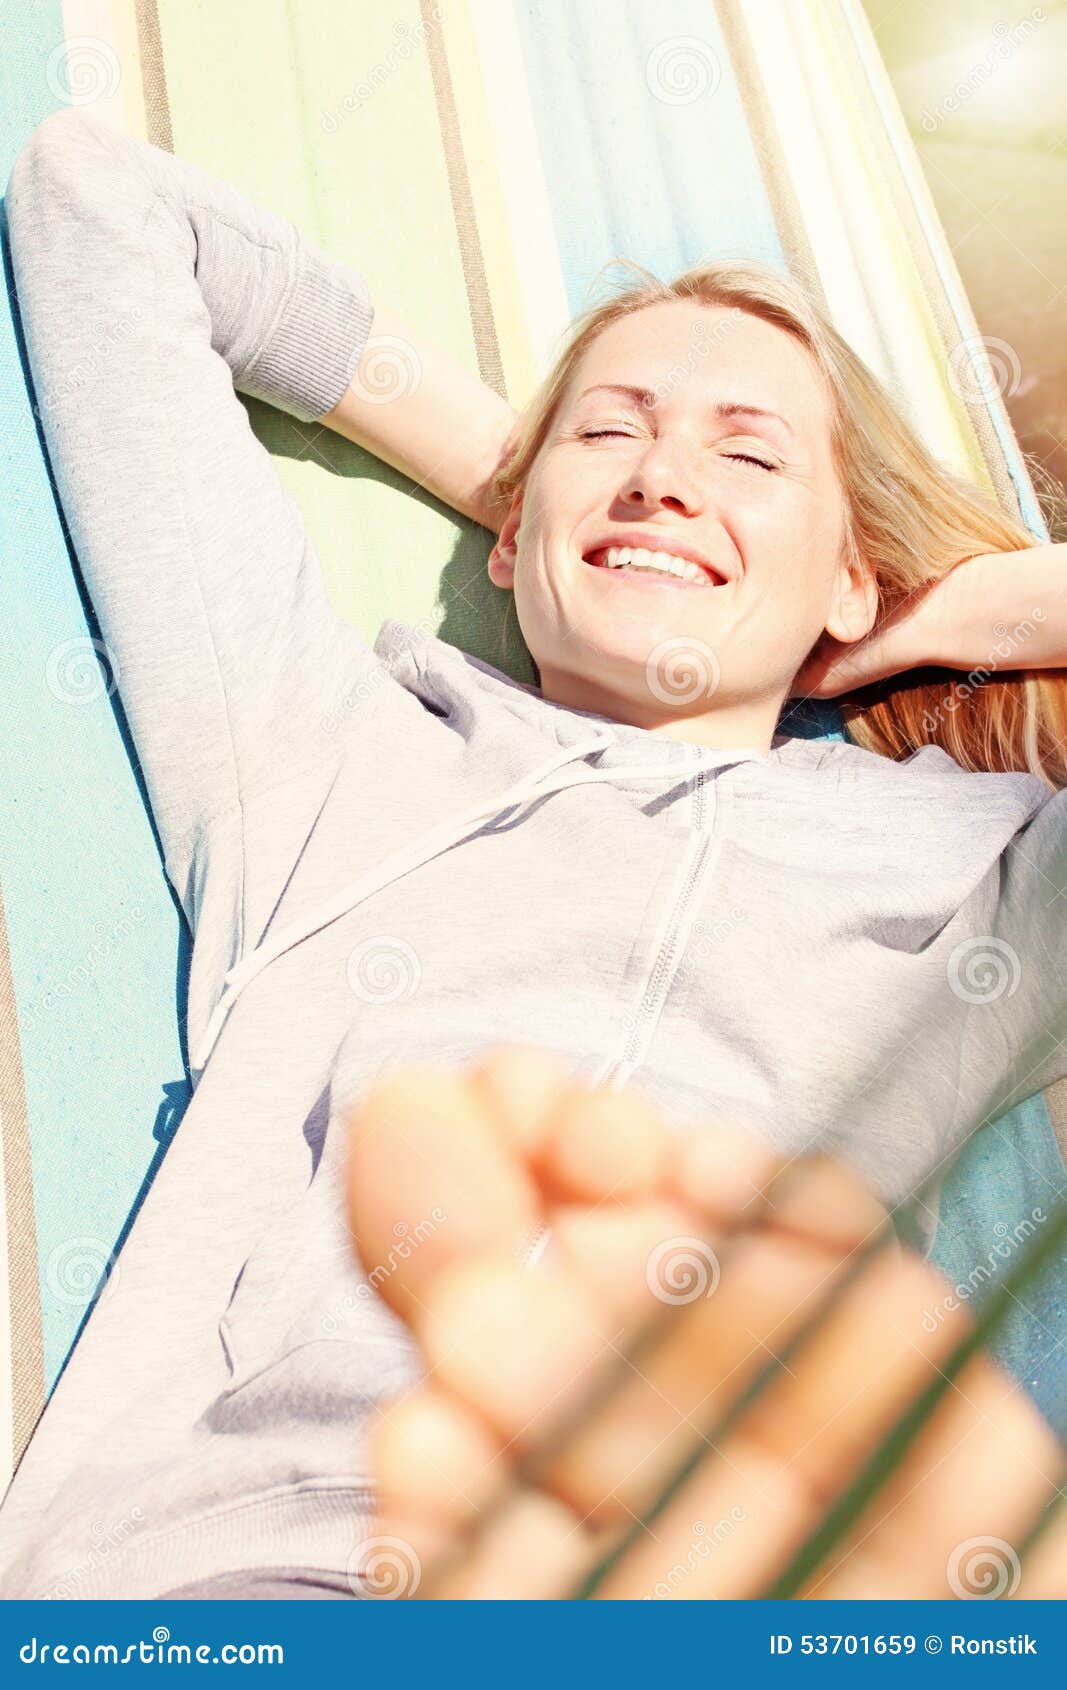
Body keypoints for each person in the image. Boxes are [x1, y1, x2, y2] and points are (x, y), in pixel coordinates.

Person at [0, 104, 1063, 1600]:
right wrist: (533, 480)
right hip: (255, 1572)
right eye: (611, 430)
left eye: (748, 455)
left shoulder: (972, 876)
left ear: (851, 570)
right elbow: (95, 199)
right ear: (504, 528)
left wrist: (935, 611)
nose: (664, 474)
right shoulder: (325, 756)